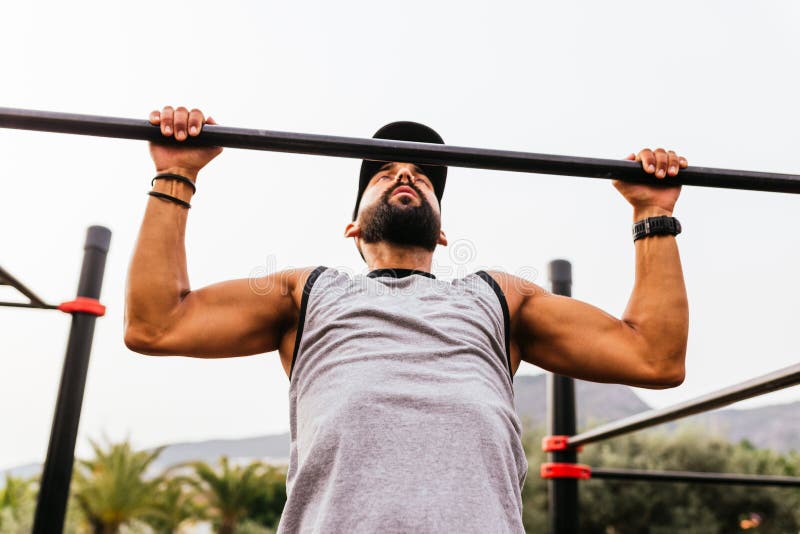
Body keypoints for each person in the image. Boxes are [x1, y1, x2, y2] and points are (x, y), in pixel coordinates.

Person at [124, 106, 689, 533]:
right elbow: (157, 324)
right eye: (383, 173)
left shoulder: (498, 297)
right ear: (352, 226)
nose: (406, 175)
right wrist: (176, 174)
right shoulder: (307, 291)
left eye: (422, 174)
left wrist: (653, 213)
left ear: (441, 232)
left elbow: (655, 358)